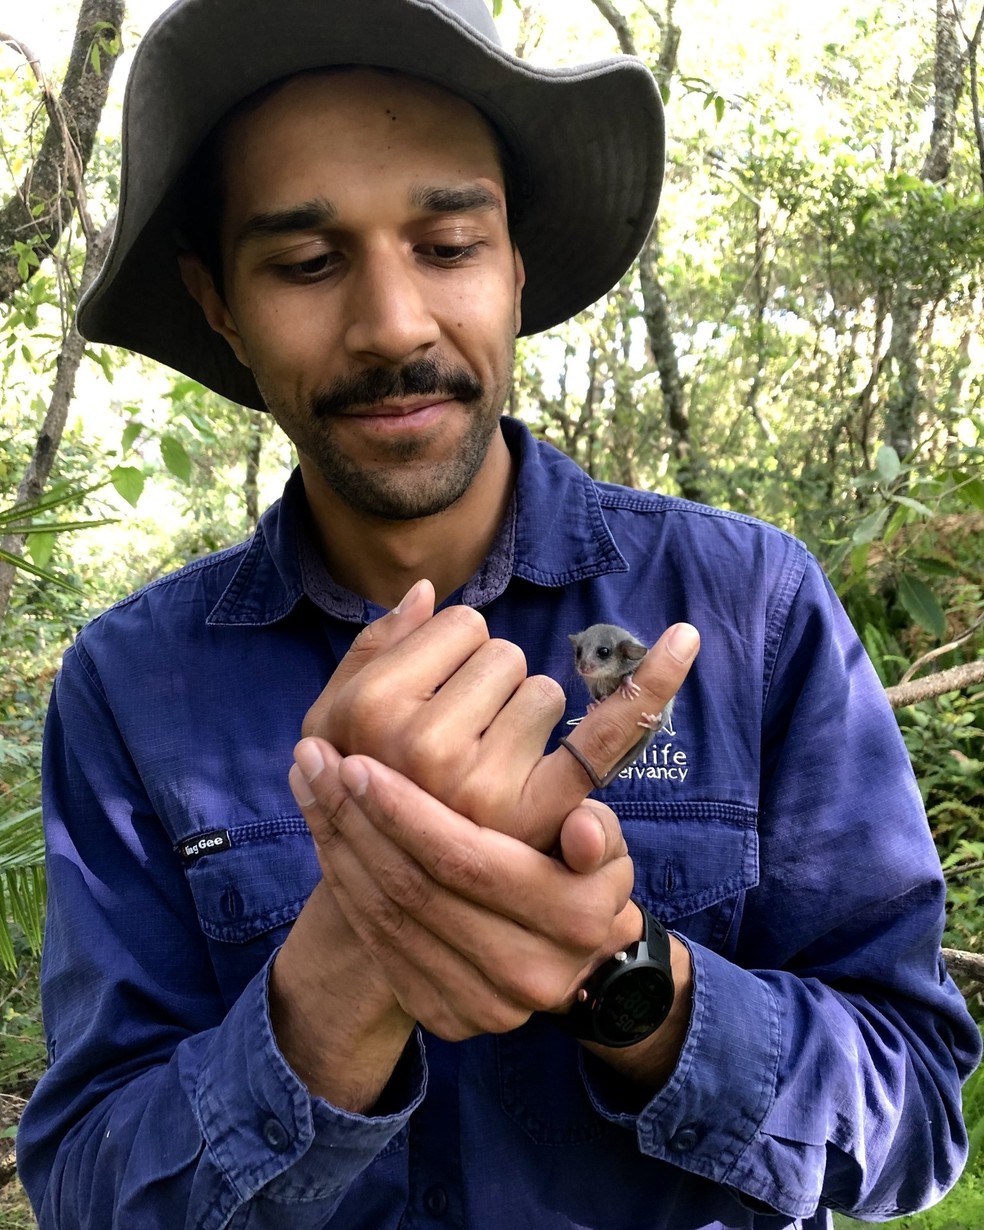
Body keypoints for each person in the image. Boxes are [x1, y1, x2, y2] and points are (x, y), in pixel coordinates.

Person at [16, 0, 981, 1226]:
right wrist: (357, 953)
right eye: (306, 263)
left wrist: (613, 973)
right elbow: (92, 1183)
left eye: (449, 243)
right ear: (218, 303)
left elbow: (914, 1109)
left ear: (516, 264)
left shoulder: (752, 609)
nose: (392, 325)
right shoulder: (132, 686)